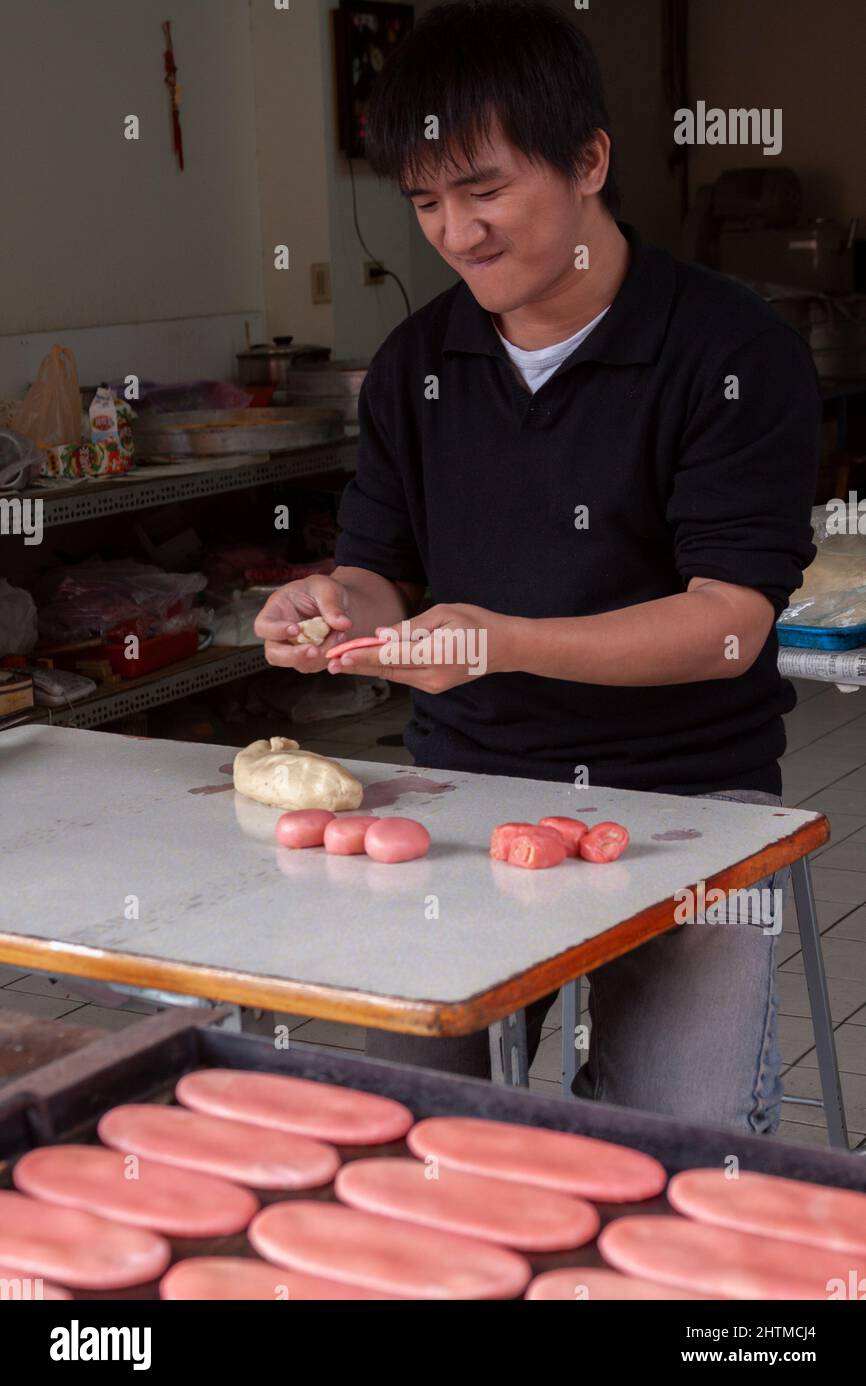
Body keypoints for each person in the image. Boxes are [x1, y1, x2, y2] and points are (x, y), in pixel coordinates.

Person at [255, 0, 820, 1133]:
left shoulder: (728, 351)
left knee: (669, 1148)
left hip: (685, 797)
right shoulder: (418, 364)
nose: (456, 233)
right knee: (410, 1130)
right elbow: (378, 572)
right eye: (425, 202)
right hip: (467, 786)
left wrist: (502, 641)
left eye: (483, 189)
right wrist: (331, 605)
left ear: (588, 161)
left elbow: (728, 624)